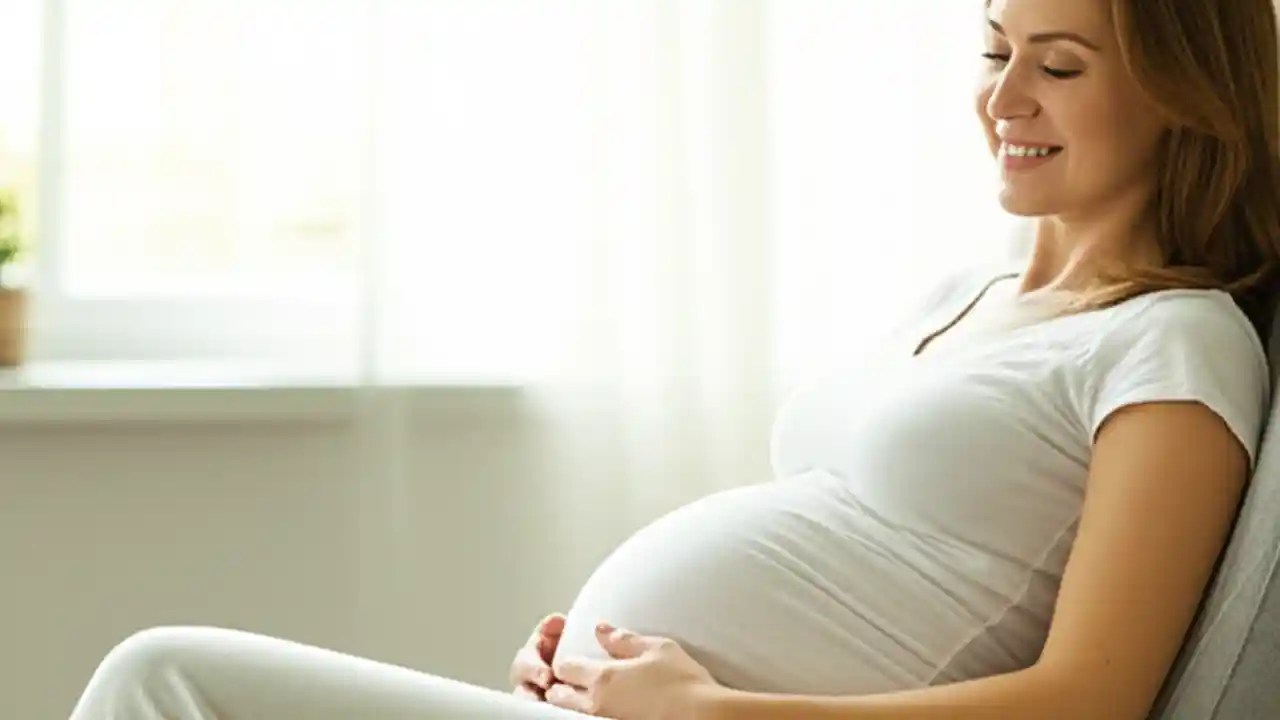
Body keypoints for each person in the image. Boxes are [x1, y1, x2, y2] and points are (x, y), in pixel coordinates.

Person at [70, 0, 1280, 718]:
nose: (1002, 94)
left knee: (165, 681)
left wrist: (716, 711)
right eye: (991, 48)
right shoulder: (956, 299)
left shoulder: (1173, 341)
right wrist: (595, 663)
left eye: (1058, 64)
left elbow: (1091, 699)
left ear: (1186, 96)